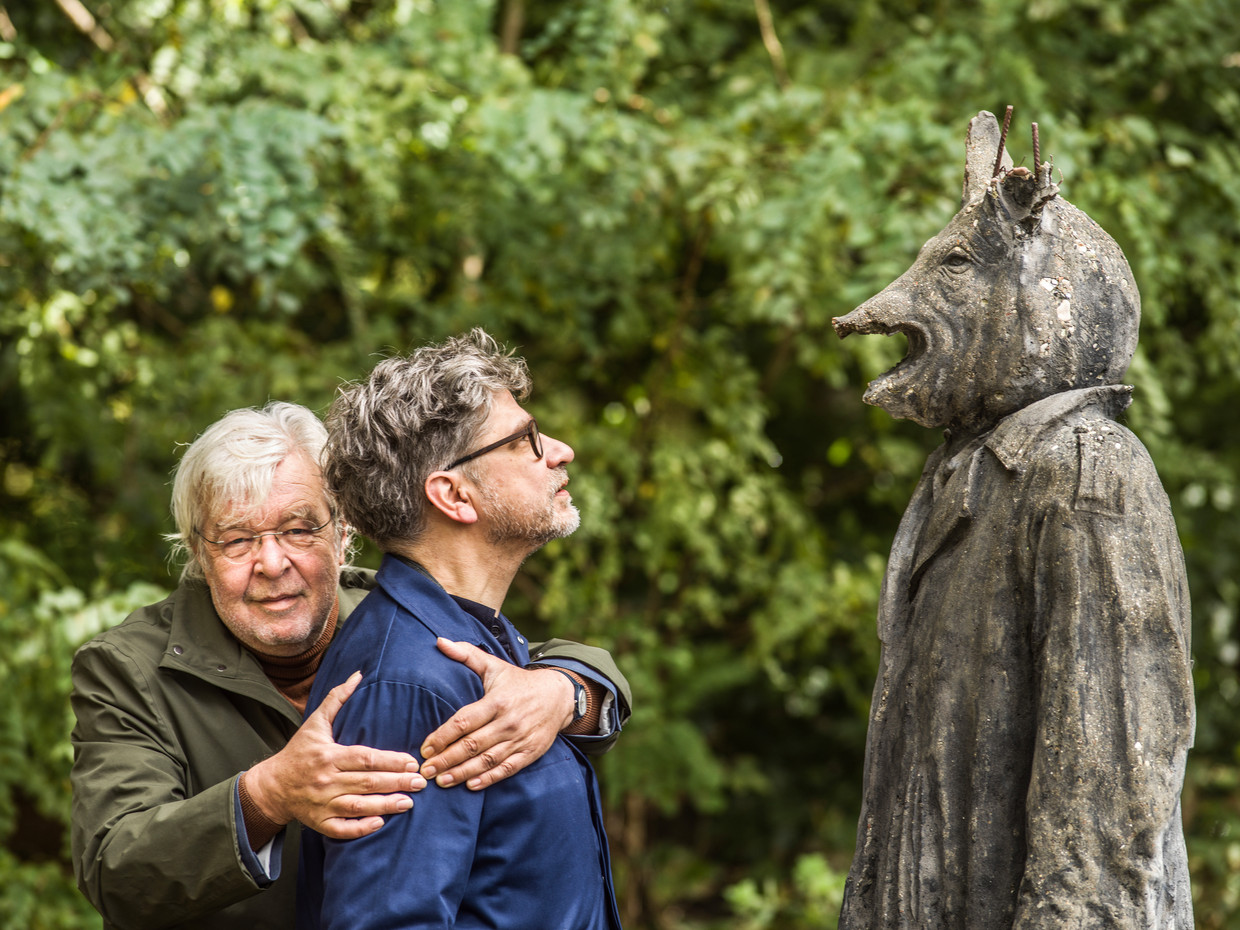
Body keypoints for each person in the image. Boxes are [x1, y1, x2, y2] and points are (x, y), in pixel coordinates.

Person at [70, 401, 631, 930]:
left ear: (343, 534)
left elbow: (551, 660)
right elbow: (115, 869)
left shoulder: (390, 621)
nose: (271, 562)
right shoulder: (130, 668)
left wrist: (564, 692)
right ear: (198, 553)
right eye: (237, 540)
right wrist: (267, 795)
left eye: (297, 529)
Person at [297, 330, 622, 930]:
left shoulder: (474, 636)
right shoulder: (407, 686)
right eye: (524, 440)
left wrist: (567, 691)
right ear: (453, 494)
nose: (560, 450)